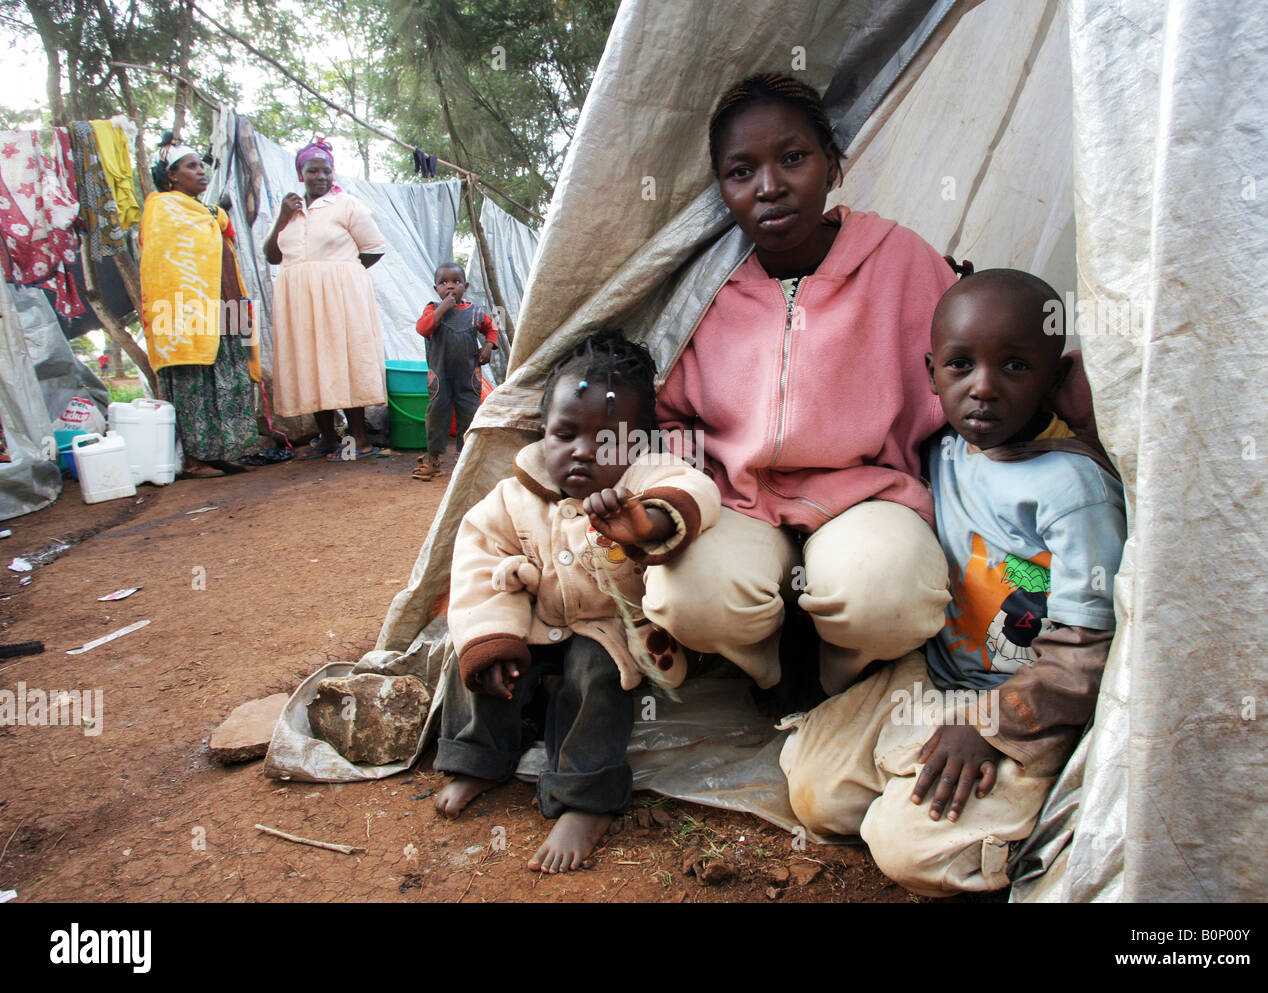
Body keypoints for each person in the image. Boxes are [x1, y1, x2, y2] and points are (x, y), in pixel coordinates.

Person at [779, 269, 1126, 896]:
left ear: (1054, 379)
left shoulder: (1074, 491)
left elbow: (1088, 654)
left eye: (1016, 367)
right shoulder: (941, 450)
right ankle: (923, 785)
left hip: (1028, 705)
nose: (984, 388)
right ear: (931, 372)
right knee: (814, 793)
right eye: (961, 366)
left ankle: (1016, 822)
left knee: (904, 850)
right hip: (936, 677)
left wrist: (994, 724)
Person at [644, 74, 955, 696]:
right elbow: (669, 413)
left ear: (833, 165)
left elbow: (960, 382)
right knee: (692, 600)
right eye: (741, 171)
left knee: (887, 597)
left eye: (793, 158)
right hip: (737, 497)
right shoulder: (704, 285)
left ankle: (836, 677)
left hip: (867, 495)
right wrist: (684, 485)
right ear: (723, 191)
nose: (770, 186)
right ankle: (771, 674)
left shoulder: (903, 261)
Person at [433, 331, 720, 873]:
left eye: (609, 440)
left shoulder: (644, 480)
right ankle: (477, 756)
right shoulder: (514, 493)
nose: (584, 451)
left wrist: (648, 520)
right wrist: (493, 638)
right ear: (543, 432)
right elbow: (477, 565)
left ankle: (585, 798)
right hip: (535, 620)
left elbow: (694, 489)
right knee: (479, 656)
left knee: (597, 677)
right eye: (566, 433)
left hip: (607, 628)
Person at [263, 136, 389, 461]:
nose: (321, 177)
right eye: (313, 171)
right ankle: (327, 438)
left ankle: (358, 440)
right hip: (298, 299)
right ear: (300, 174)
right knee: (311, 361)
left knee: (345, 359)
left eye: (326, 171)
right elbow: (271, 256)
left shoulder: (347, 204)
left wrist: (342, 275)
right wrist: (282, 216)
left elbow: (373, 249)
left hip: (341, 295)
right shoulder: (288, 208)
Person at [140, 143, 261, 478]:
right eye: (190, 166)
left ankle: (226, 451)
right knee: (193, 382)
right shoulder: (161, 208)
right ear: (171, 175)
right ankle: (196, 459)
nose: (200, 171)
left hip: (226, 301)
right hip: (186, 309)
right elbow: (163, 261)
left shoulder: (210, 213)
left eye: (201, 165)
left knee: (230, 375)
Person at [411, 262, 499, 480]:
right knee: (436, 415)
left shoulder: (475, 312)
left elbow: (492, 327)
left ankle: (466, 460)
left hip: (468, 377)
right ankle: (433, 459)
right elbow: (422, 328)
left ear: (465, 286)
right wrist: (443, 308)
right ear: (436, 289)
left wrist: (488, 346)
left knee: (469, 415)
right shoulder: (432, 309)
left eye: (456, 282)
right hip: (440, 377)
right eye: (443, 283)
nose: (450, 287)